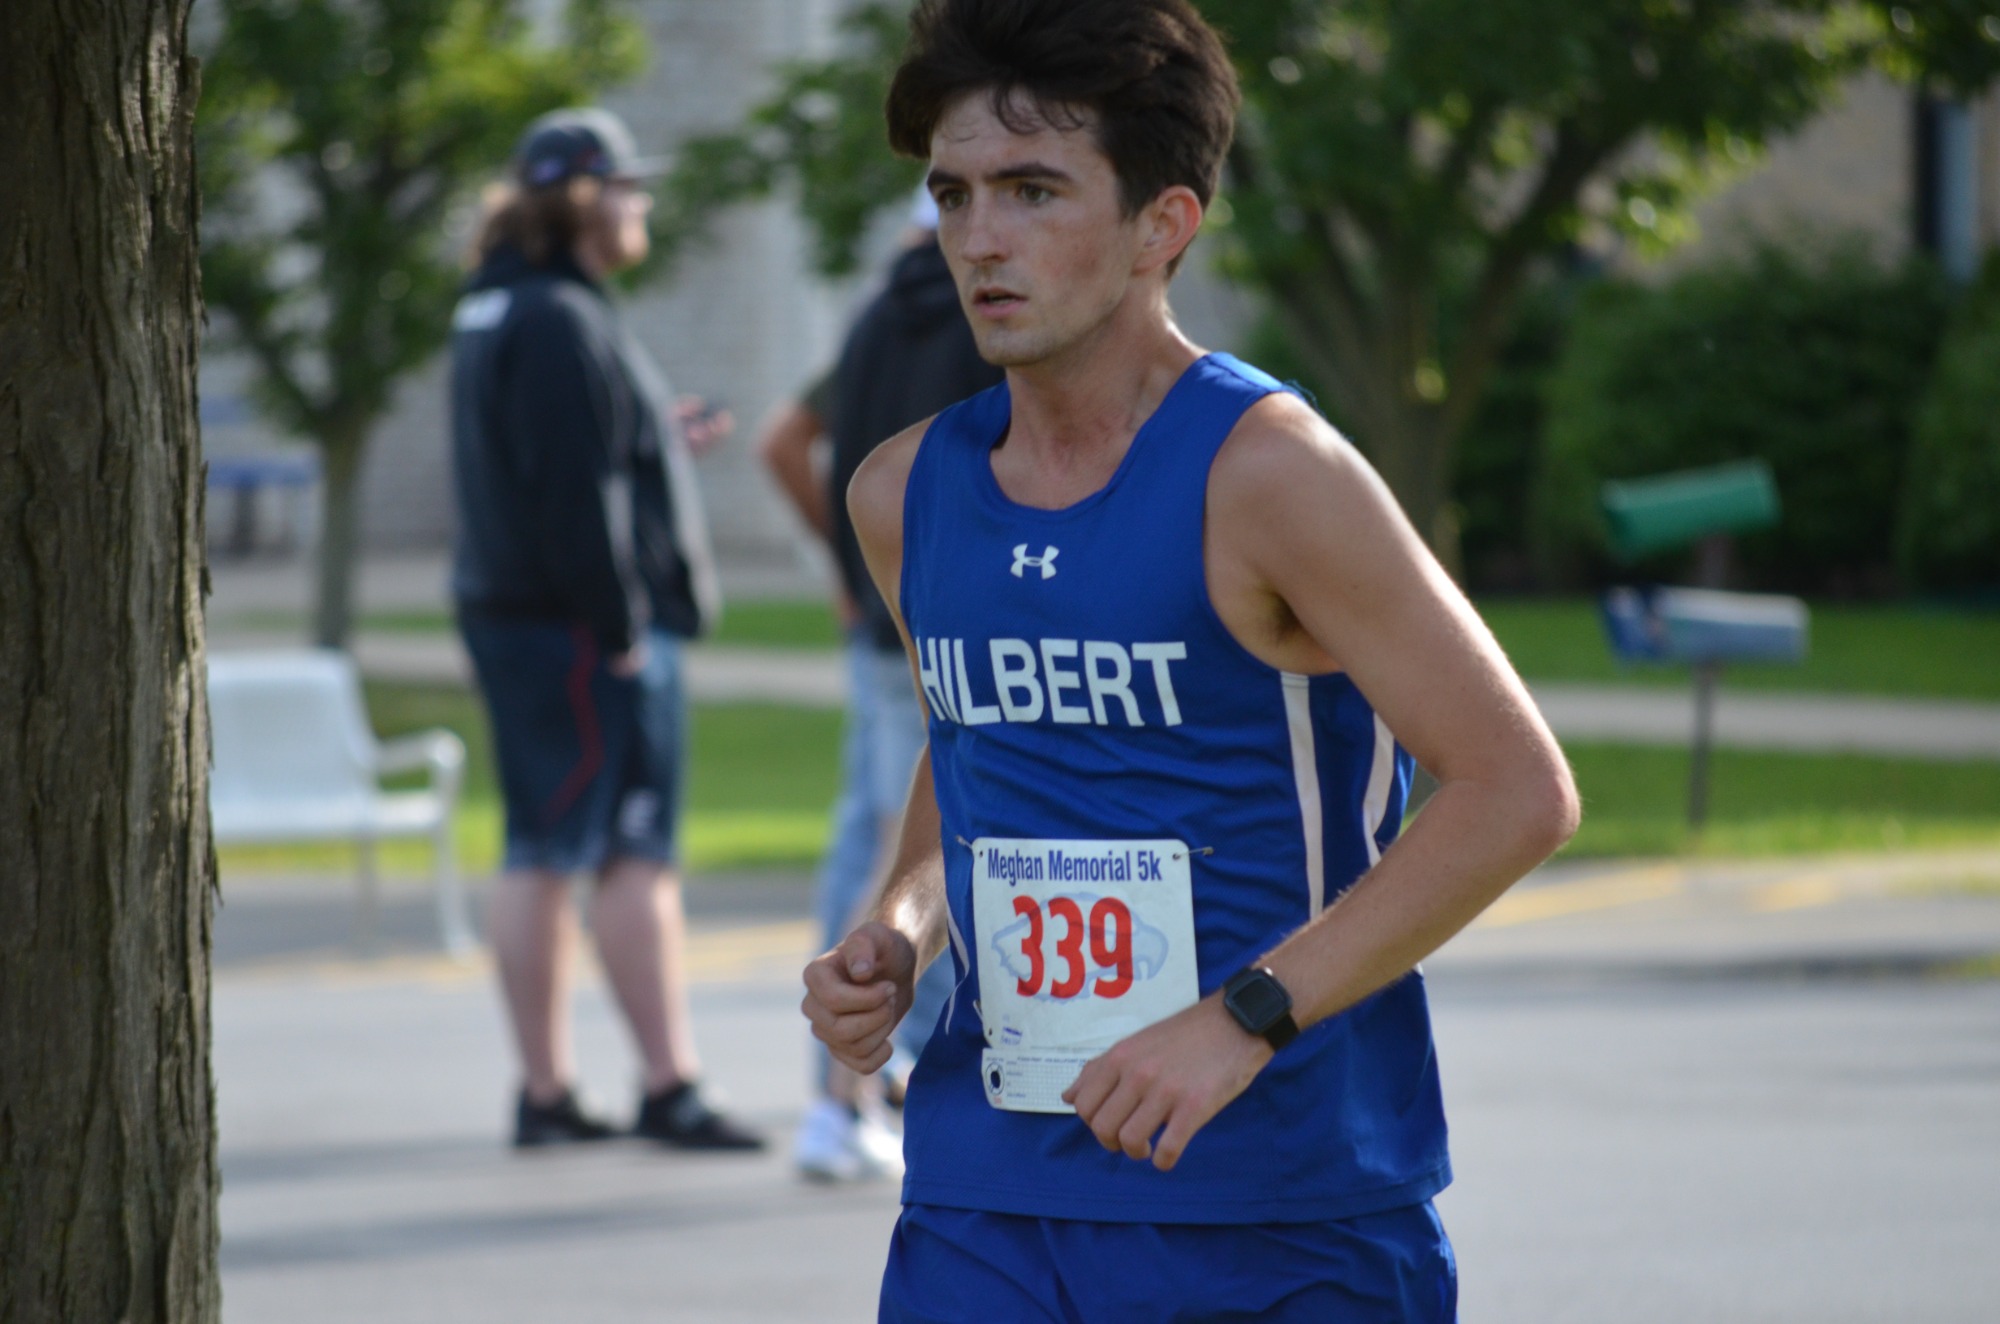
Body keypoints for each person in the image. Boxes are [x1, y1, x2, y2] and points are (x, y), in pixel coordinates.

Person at [800, 1, 1580, 1317]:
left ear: (1164, 224)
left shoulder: (1272, 475)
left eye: (1035, 191)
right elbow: (977, 763)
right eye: (954, 194)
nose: (980, 238)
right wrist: (897, 930)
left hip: (1275, 1209)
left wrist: (1243, 1019)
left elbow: (1514, 790)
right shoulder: (903, 494)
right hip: (986, 1201)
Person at [449, 107, 764, 1152]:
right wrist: (620, 624)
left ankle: (546, 1091)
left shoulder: (500, 307)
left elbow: (551, 450)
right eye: (628, 187)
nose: (641, 205)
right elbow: (571, 492)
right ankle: (667, 1084)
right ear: (586, 198)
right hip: (583, 633)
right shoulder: (559, 318)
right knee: (624, 851)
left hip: (519, 617)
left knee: (539, 842)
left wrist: (654, 436)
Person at [758, 192, 1004, 1182]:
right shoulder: (998, 328)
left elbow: (781, 439)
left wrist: (847, 571)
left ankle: (841, 1089)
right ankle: (857, 1085)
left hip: (881, 613)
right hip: (967, 620)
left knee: (869, 834)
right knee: (929, 844)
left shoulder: (866, 323)